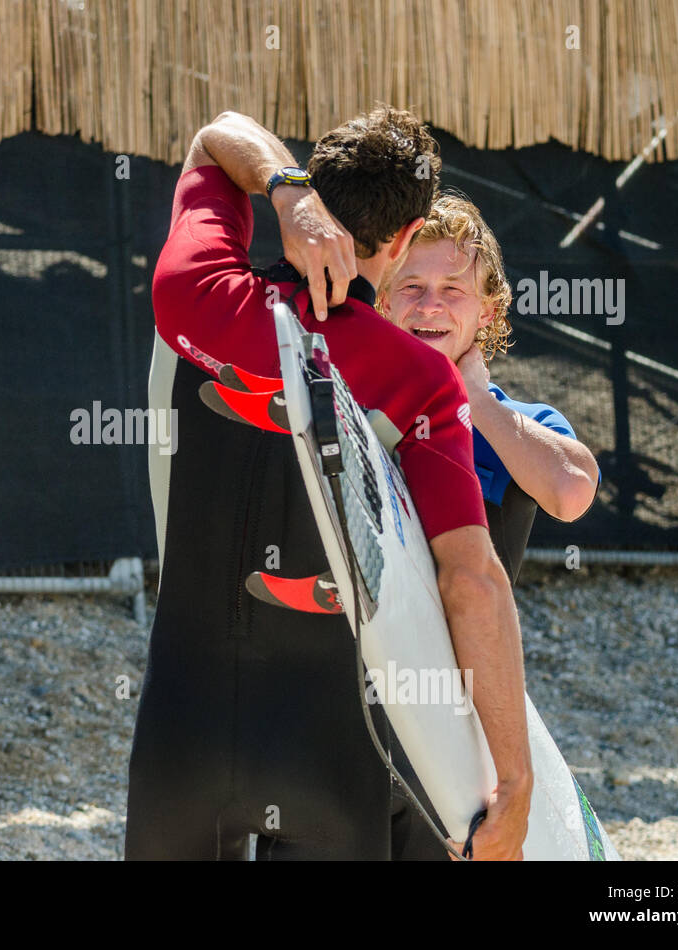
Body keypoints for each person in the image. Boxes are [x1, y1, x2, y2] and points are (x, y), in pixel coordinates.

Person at [129, 109, 531, 860]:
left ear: (318, 198)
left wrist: (285, 192)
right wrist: (515, 779)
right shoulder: (421, 381)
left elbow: (214, 133)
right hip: (328, 748)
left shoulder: (193, 289)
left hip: (180, 734)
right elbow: (473, 581)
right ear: (408, 238)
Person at [379, 192, 600, 583]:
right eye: (411, 286)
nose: (430, 305)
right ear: (384, 301)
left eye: (452, 289)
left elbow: (573, 495)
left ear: (487, 311)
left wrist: (476, 401)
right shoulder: (351, 402)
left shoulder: (521, 422)